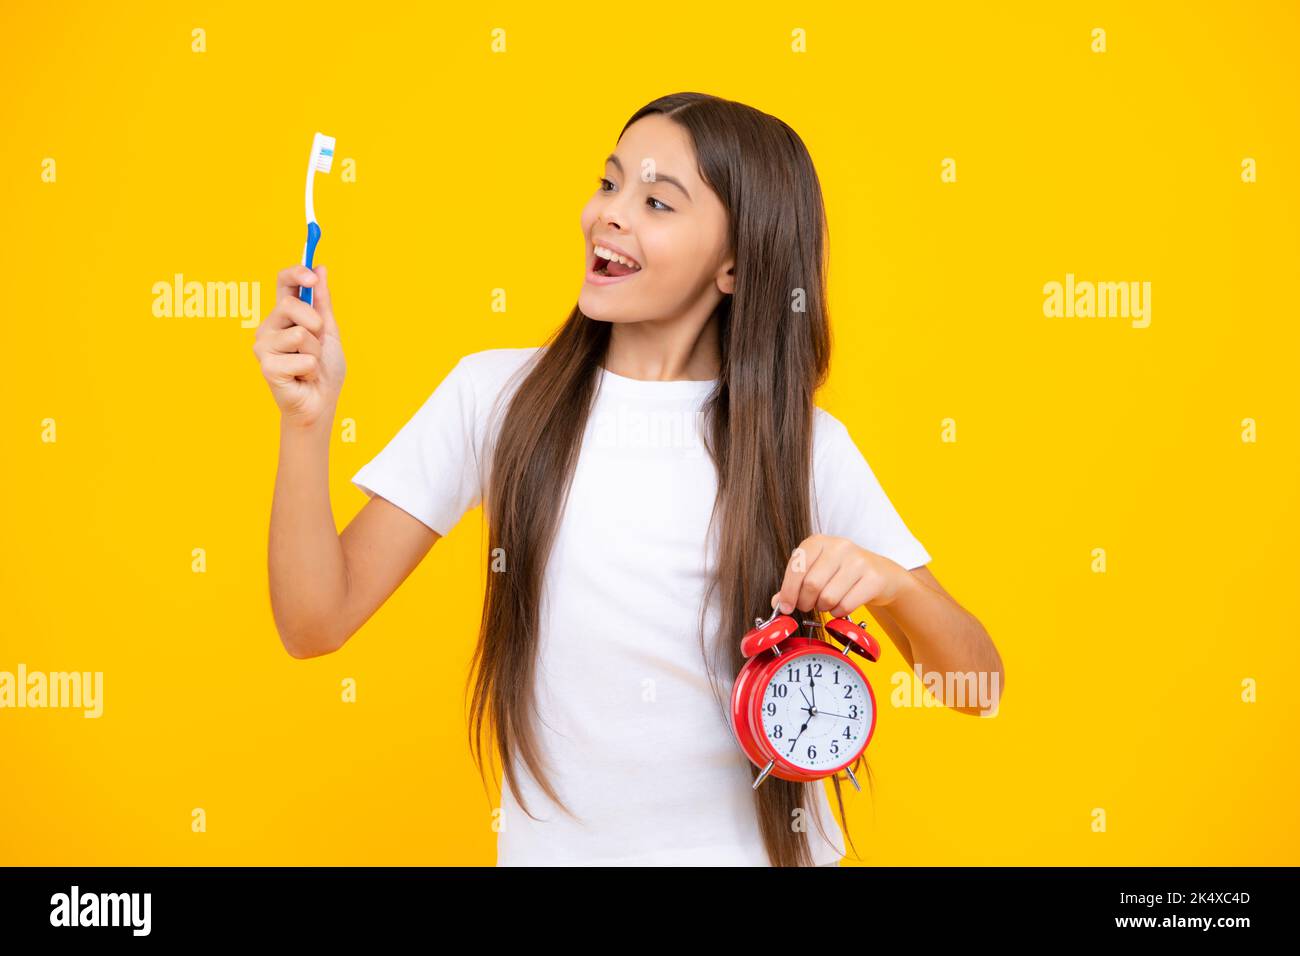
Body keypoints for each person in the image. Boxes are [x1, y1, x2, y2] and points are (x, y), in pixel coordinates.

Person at [253, 92, 1004, 867]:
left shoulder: (801, 446)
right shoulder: (496, 399)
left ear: (737, 265)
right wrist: (308, 423)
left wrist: (895, 587)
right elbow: (315, 623)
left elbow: (978, 690)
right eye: (610, 184)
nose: (608, 214)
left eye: (656, 201)